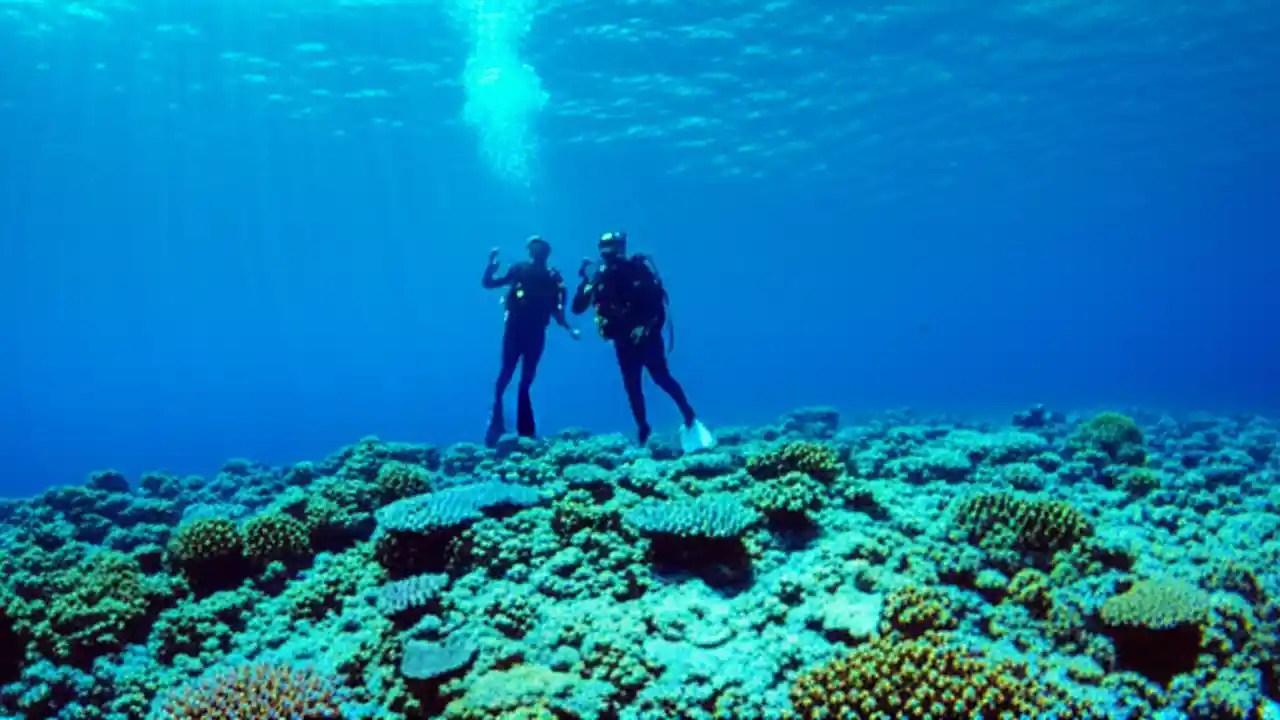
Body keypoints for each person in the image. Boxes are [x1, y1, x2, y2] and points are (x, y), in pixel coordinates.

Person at [572, 230, 714, 451]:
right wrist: (584, 282)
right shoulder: (599, 276)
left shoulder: (637, 270)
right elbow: (578, 308)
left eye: (613, 247)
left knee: (661, 378)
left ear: (622, 248)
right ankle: (643, 429)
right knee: (632, 386)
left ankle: (689, 417)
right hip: (621, 340)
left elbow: (657, 306)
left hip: (646, 338)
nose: (608, 253)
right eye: (604, 248)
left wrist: (645, 327)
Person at [482, 235, 579, 446]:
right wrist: (491, 265)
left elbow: (558, 310)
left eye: (540, 248)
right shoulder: (525, 271)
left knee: (520, 379)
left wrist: (569, 328)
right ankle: (502, 424)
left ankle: (521, 429)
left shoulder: (551, 277)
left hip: (530, 331)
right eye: (535, 249)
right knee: (510, 376)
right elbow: (488, 283)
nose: (537, 253)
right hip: (520, 330)